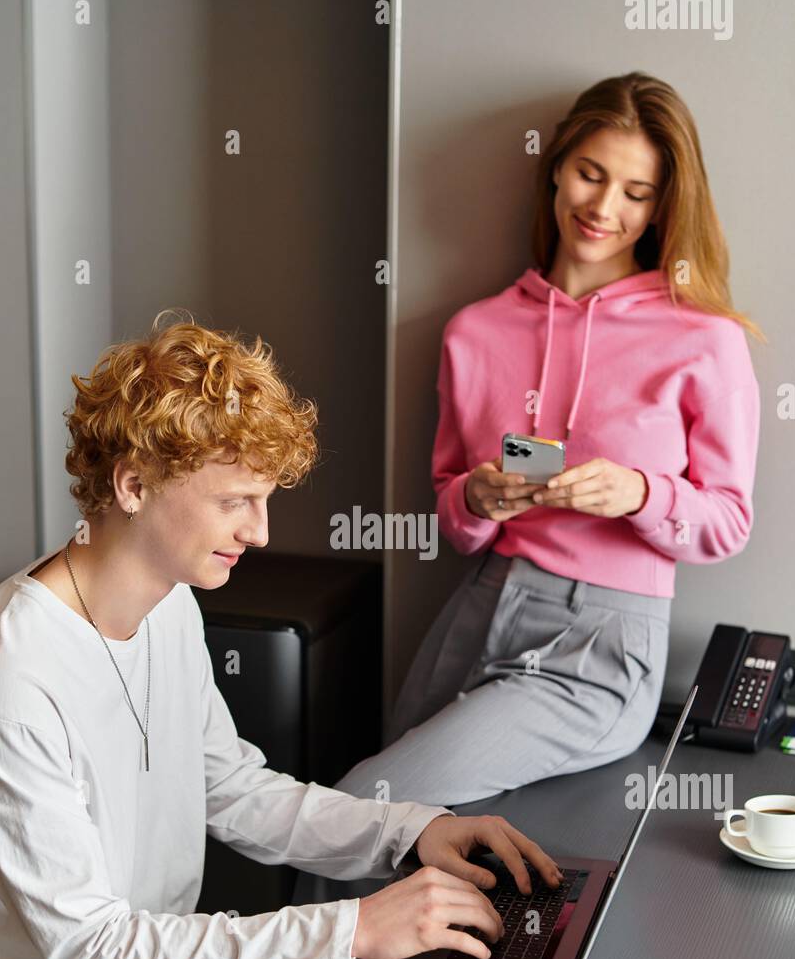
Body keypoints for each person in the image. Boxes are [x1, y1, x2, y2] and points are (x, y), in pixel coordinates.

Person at [0, 317, 563, 959]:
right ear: (132, 483)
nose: (263, 530)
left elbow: (232, 789)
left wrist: (412, 830)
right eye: (236, 499)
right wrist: (355, 926)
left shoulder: (167, 603)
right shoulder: (4, 670)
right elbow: (90, 952)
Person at [292, 70, 763, 911]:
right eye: (590, 173)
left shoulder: (704, 339)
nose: (604, 207)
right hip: (482, 605)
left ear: (661, 209)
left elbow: (726, 521)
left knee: (356, 811)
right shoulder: (475, 331)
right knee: (384, 834)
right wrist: (477, 499)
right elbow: (450, 513)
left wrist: (641, 493)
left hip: (601, 644)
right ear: (554, 169)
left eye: (636, 192)